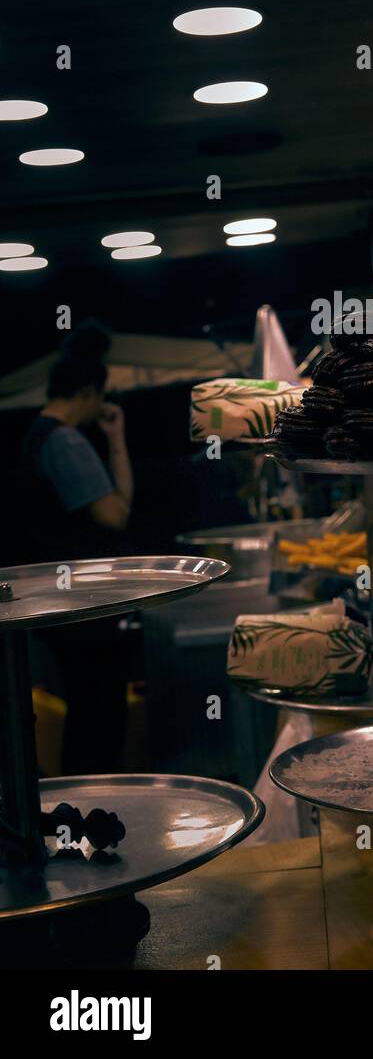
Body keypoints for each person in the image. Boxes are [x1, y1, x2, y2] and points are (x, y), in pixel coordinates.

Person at [23, 322, 135, 773]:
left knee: (87, 710)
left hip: (58, 603)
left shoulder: (36, 436)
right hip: (81, 607)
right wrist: (117, 439)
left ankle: (81, 804)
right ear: (89, 391)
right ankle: (94, 804)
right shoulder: (64, 440)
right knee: (99, 714)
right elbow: (115, 513)